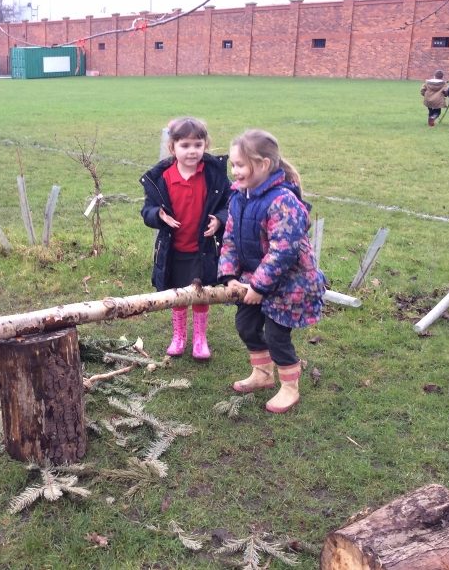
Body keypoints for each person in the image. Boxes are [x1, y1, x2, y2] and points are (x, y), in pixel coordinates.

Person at [218, 129, 326, 414]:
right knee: (246, 325)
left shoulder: (283, 201)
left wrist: (259, 287)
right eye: (233, 164)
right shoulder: (239, 197)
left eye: (240, 164)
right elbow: (229, 238)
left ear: (263, 164)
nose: (234, 170)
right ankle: (263, 374)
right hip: (255, 281)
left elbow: (283, 250)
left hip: (290, 283)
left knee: (277, 336)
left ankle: (290, 386)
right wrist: (229, 276)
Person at [140, 117, 231, 359]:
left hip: (201, 248)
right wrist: (158, 215)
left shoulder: (213, 175)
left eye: (198, 145)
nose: (192, 151)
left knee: (201, 294)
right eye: (185, 145)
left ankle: (200, 339)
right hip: (174, 249)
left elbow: (229, 203)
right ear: (172, 148)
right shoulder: (162, 178)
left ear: (205, 145)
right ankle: (179, 337)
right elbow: (147, 211)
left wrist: (220, 219)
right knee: (178, 295)